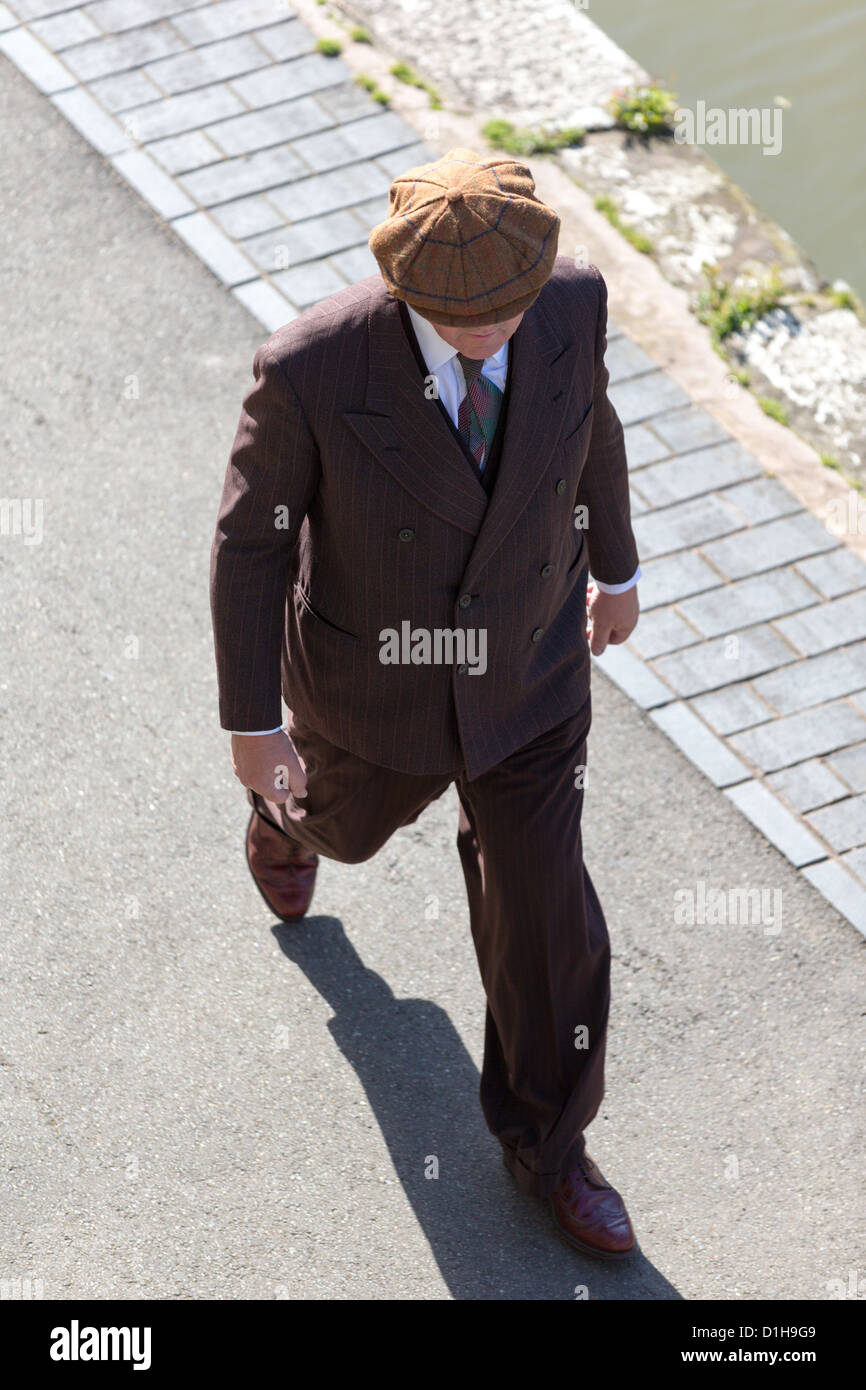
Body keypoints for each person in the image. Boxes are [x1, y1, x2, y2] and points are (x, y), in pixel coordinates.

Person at [210, 147, 642, 1258]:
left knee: (547, 912)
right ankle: (283, 823)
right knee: (340, 833)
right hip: (375, 687)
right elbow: (250, 550)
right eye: (461, 319)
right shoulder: (308, 369)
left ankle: (549, 1144)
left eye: (507, 308)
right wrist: (254, 730)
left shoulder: (573, 301)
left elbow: (590, 424)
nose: (493, 330)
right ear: (404, 289)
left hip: (530, 674)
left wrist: (618, 568)